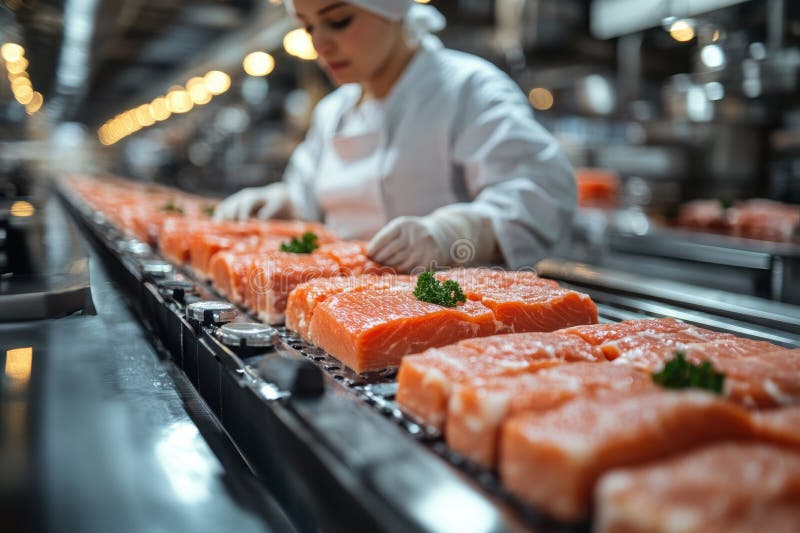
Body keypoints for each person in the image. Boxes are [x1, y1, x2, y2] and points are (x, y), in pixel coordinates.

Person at [214, 0, 575, 272]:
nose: (319, 43)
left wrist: (454, 234)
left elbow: (541, 197)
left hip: (453, 310)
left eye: (338, 21)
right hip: (349, 301)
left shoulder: (467, 88)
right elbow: (308, 197)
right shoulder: (333, 111)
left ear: (392, 10)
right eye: (308, 27)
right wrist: (279, 203)